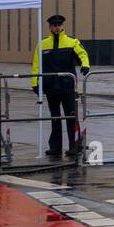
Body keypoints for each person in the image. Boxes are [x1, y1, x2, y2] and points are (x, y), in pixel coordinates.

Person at [31, 14, 90, 158]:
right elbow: (36, 65)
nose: (57, 28)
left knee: (71, 116)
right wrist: (35, 83)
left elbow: (83, 54)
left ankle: (74, 145)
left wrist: (85, 65)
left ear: (63, 26)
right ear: (50, 27)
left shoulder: (72, 42)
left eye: (59, 25)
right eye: (54, 26)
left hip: (68, 86)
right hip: (51, 86)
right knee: (55, 117)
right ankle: (55, 147)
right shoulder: (43, 44)